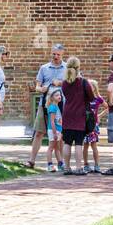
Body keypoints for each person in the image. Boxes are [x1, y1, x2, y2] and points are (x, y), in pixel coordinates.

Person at [27, 43, 67, 171]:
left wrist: (61, 82)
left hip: (61, 106)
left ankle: (61, 163)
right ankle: (31, 161)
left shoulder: (67, 68)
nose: (55, 56)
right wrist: (41, 88)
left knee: (60, 134)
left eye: (58, 54)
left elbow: (73, 85)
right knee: (39, 132)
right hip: (45, 105)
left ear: (62, 54)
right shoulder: (44, 68)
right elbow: (37, 86)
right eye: (54, 54)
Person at [58, 56, 95, 175]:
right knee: (79, 143)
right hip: (80, 115)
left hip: (67, 114)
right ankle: (79, 168)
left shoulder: (64, 83)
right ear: (78, 67)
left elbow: (66, 95)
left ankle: (67, 167)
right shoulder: (83, 82)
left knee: (67, 142)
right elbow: (91, 97)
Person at [83, 78, 105, 173]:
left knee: (94, 145)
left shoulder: (98, 98)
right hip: (84, 125)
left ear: (94, 88)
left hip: (93, 125)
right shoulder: (84, 98)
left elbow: (107, 107)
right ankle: (86, 165)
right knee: (85, 145)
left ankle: (97, 165)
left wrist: (99, 115)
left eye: (90, 86)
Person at [44, 84, 65, 173]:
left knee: (57, 148)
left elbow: (59, 120)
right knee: (51, 147)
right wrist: (55, 133)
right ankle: (49, 164)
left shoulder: (57, 107)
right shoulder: (52, 107)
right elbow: (52, 121)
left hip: (58, 130)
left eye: (59, 95)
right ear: (52, 98)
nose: (59, 96)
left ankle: (60, 163)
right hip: (53, 130)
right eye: (56, 95)